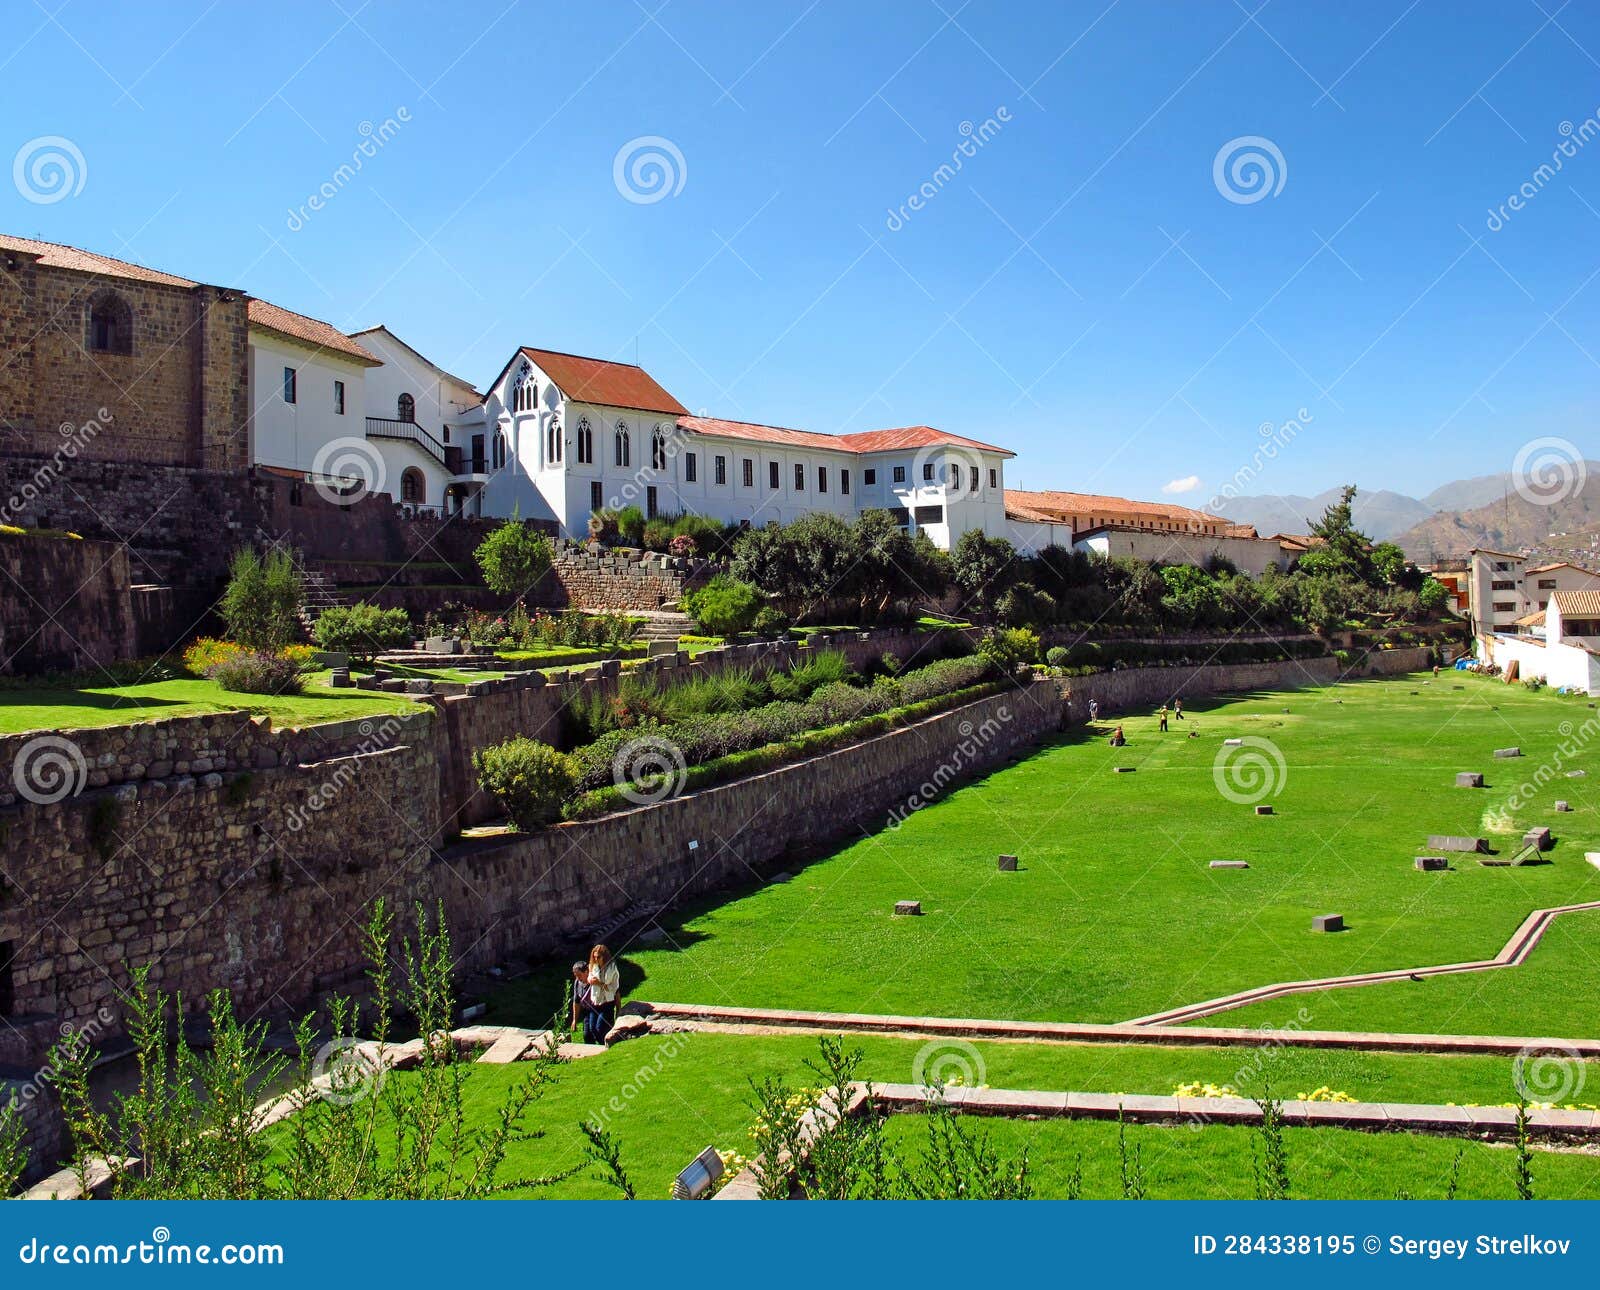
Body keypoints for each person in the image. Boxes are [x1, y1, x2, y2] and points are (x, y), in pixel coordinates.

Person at [584, 943, 621, 1045]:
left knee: (600, 1027)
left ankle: (607, 1043)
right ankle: (603, 1044)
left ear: (604, 956)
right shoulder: (593, 966)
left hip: (607, 1002)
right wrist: (590, 979)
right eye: (594, 957)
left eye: (598, 957)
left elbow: (614, 988)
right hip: (595, 1000)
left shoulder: (612, 969)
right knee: (592, 1028)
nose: (596, 959)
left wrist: (599, 983)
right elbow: (589, 978)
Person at [568, 961, 592, 1033]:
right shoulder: (577, 983)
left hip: (598, 1009)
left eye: (579, 975)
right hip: (586, 1012)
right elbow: (576, 1002)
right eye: (575, 975)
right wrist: (575, 1020)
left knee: (596, 1030)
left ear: (586, 972)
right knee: (587, 1035)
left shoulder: (594, 982)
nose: (577, 978)